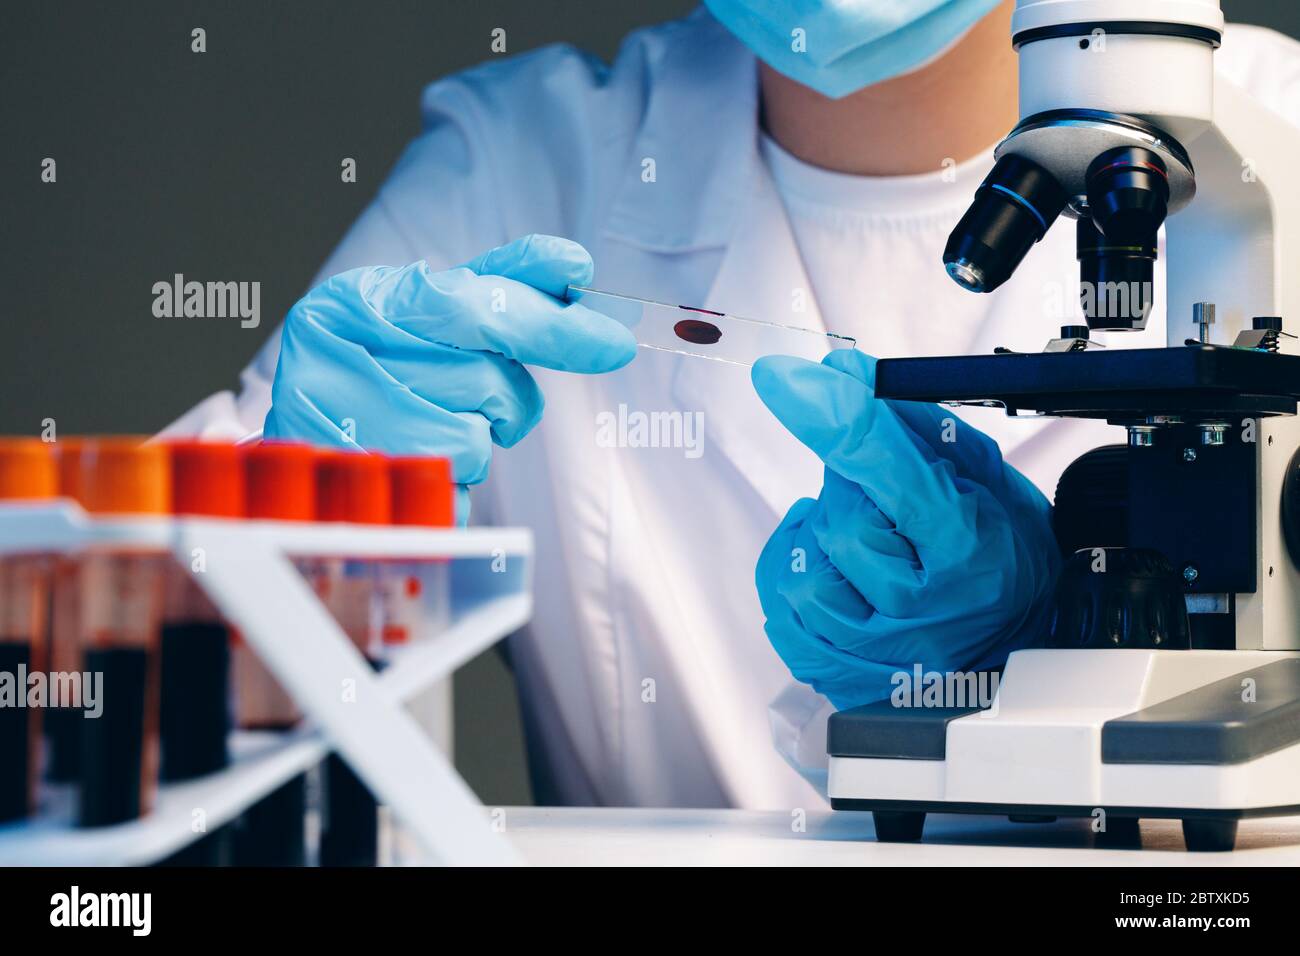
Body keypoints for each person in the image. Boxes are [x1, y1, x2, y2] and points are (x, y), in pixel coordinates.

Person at [166, 2, 1300, 808]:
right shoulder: (520, 171)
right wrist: (303, 532)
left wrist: (1040, 669)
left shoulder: (1272, 125)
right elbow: (99, 711)